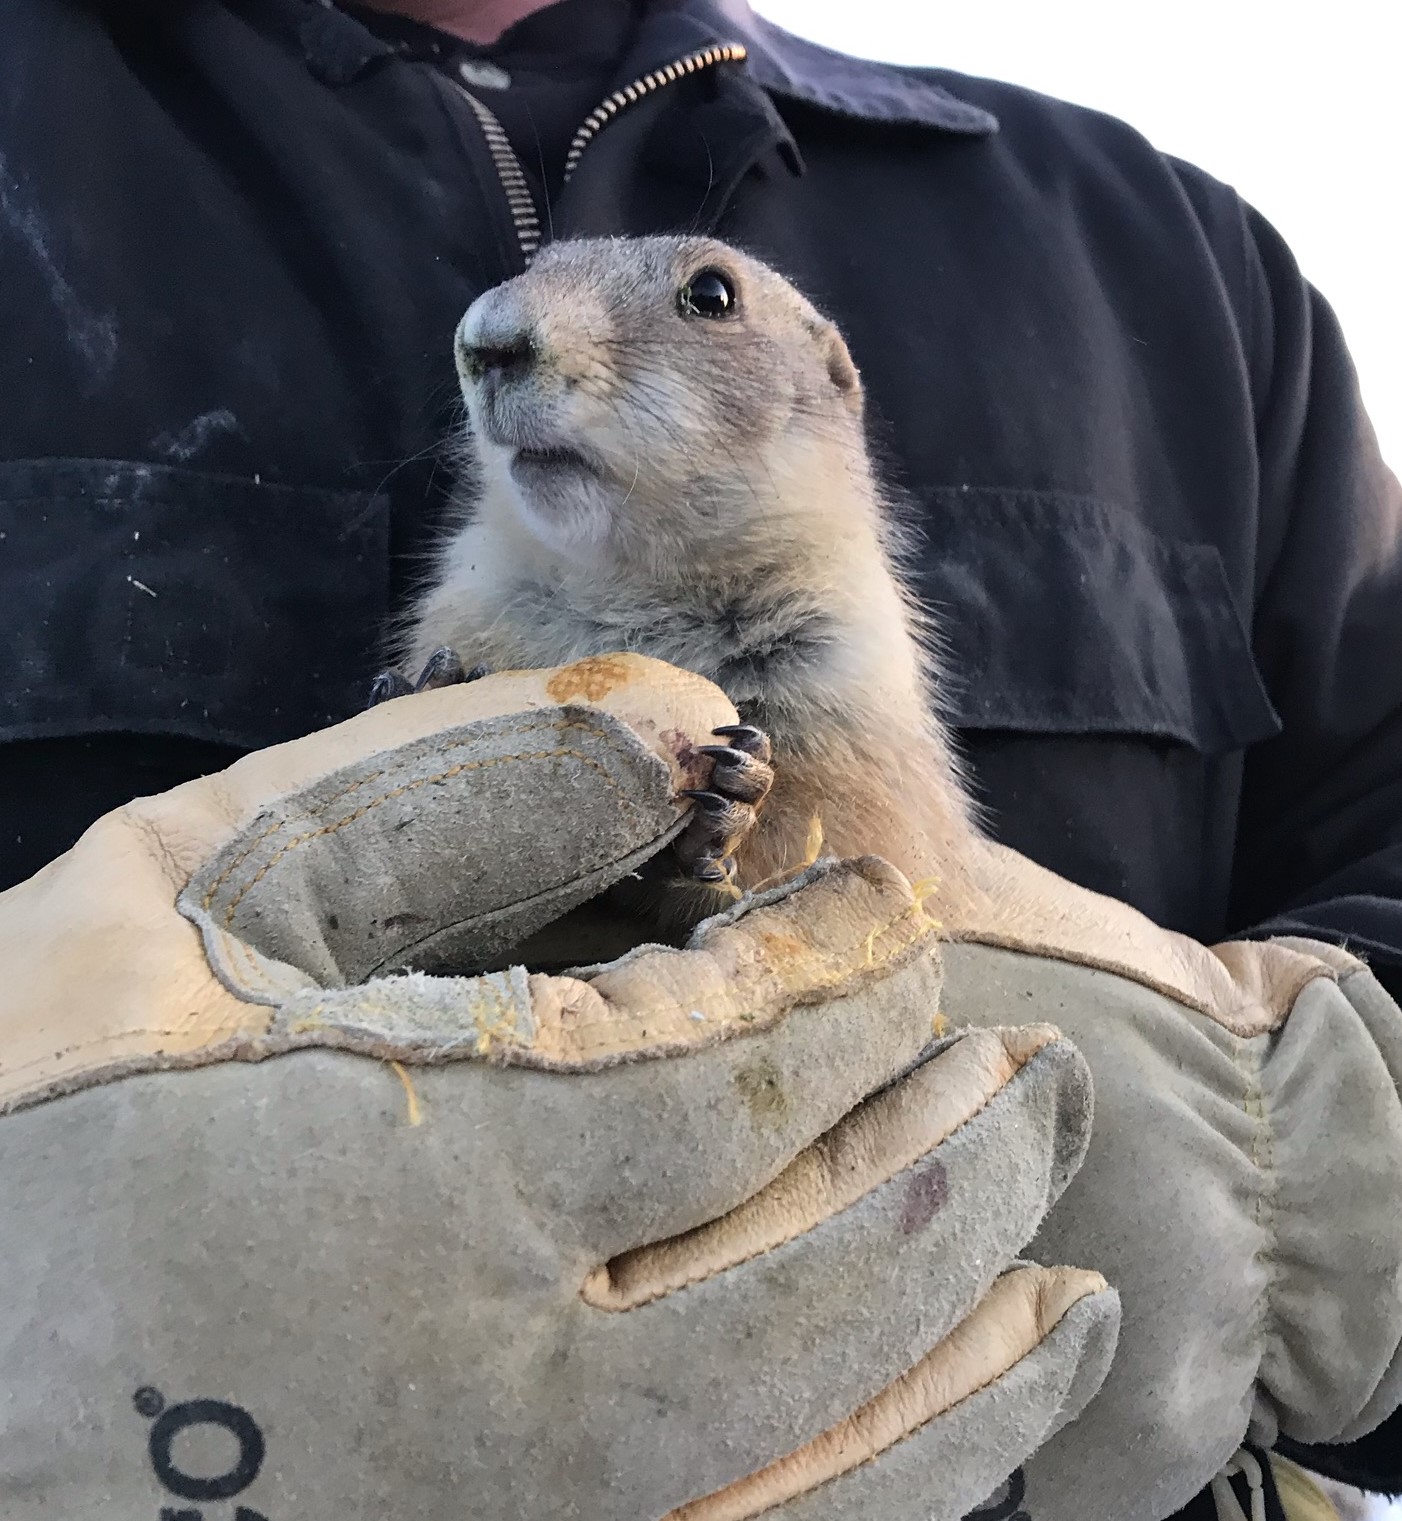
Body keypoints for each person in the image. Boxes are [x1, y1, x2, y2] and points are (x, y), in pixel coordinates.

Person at [2, 0, 1400, 1515]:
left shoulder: (1171, 260)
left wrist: (1285, 1206)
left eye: (711, 305)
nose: (501, 346)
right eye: (502, 331)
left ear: (828, 380)